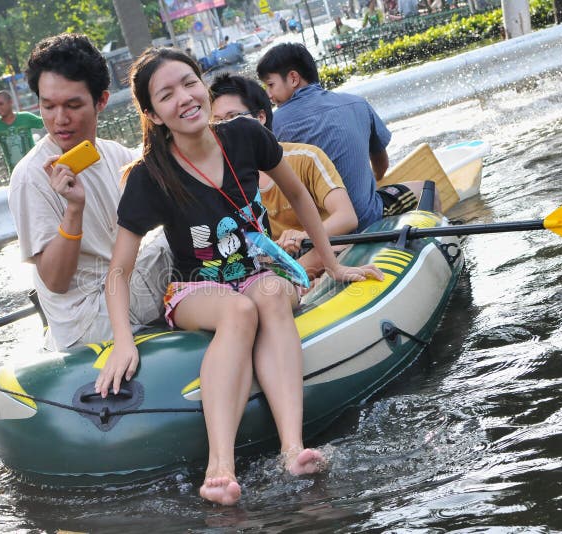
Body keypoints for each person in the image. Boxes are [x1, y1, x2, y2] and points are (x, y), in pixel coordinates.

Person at [98, 47, 384, 506]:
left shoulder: (246, 135)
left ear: (203, 84)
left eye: (190, 83)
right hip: (198, 289)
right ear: (152, 113)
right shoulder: (149, 177)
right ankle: (220, 467)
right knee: (238, 309)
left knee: (267, 293)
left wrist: (333, 265)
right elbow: (119, 269)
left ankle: (293, 448)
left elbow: (300, 196)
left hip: (260, 272)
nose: (185, 98)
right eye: (166, 95)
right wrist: (123, 338)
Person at [7, 33, 172, 351]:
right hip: (90, 320)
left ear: (101, 101)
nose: (59, 119)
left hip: (121, 291)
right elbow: (55, 281)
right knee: (173, 243)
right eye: (48, 106)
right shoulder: (30, 176)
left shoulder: (118, 156)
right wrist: (74, 210)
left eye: (72, 105)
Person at [257, 43, 434, 231]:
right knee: (428, 189)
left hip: (316, 230)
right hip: (367, 217)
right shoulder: (357, 103)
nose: (268, 95)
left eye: (270, 85)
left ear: (293, 78)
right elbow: (381, 166)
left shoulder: (273, 123)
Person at [209, 73, 357, 279]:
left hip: (323, 248)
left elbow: (347, 217)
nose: (226, 129)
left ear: (260, 118)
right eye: (217, 123)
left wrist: (303, 236)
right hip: (272, 266)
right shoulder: (216, 181)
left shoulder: (306, 157)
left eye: (232, 118)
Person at [0, 90, 45, 173]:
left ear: (10, 102)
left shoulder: (25, 117)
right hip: (15, 173)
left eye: (1, 104)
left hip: (34, 169)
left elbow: (46, 123)